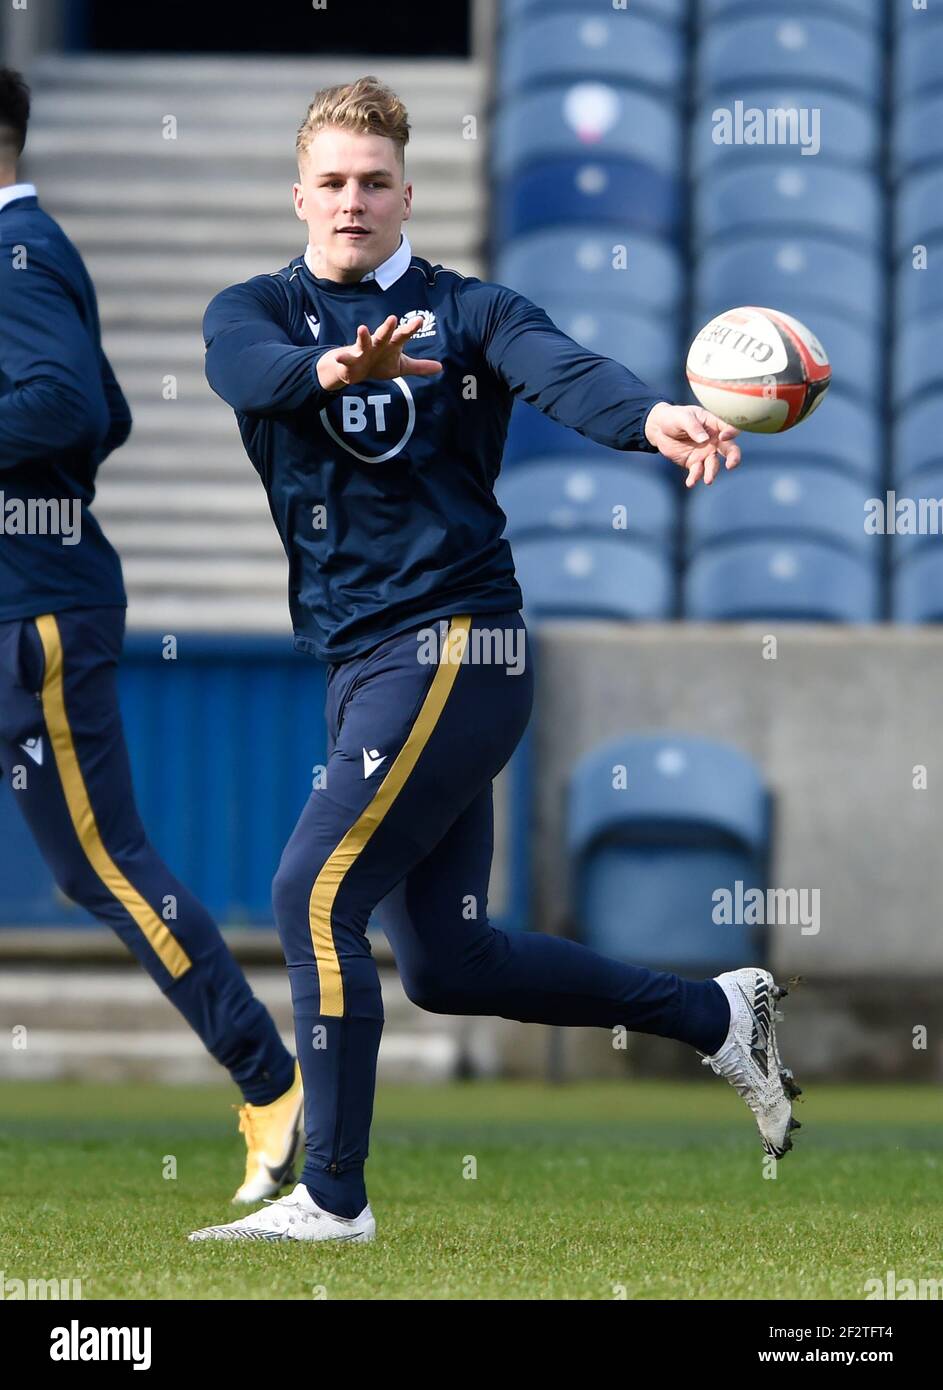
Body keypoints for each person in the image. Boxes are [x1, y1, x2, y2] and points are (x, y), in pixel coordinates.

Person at [190, 75, 800, 1245]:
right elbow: (244, 375)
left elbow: (559, 365)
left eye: (374, 182)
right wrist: (331, 371)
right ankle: (716, 1014)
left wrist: (647, 416)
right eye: (332, 182)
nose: (353, 200)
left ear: (408, 191)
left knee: (310, 895)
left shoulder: (468, 311)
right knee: (449, 961)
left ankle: (332, 1196)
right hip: (363, 661)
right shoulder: (253, 308)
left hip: (459, 642)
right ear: (299, 194)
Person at [0, 66, 303, 1206]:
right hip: (27, 592)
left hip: (30, 616)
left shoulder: (17, 257)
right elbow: (106, 410)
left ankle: (270, 1080)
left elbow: (70, 408)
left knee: (102, 869)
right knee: (99, 867)